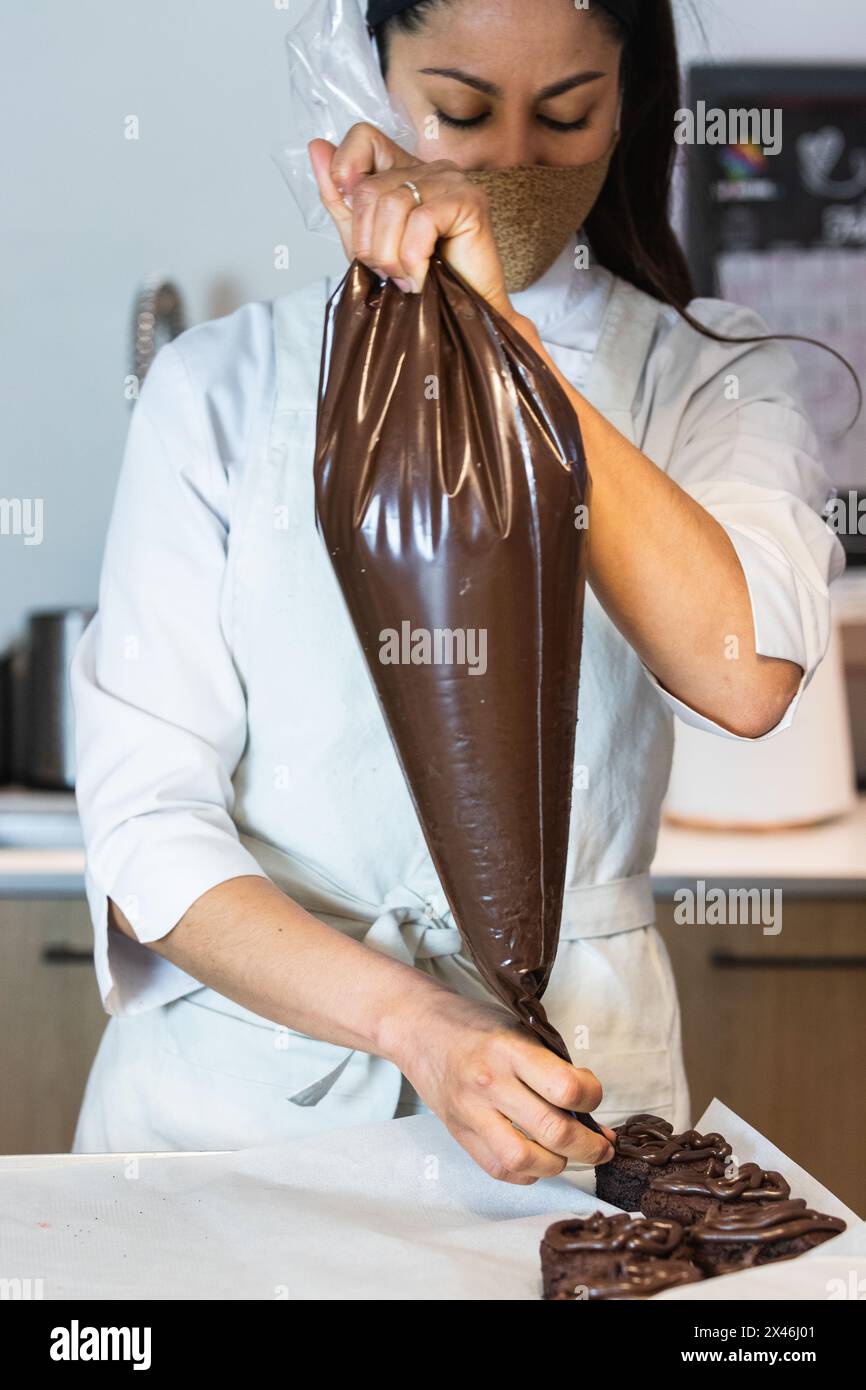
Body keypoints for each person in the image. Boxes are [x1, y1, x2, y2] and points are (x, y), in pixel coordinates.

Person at [71, 0, 844, 1183]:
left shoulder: (708, 381)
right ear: (366, 85)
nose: (512, 164)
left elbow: (741, 674)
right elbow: (145, 827)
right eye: (461, 111)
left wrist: (497, 337)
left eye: (567, 115)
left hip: (560, 1111)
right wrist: (415, 1025)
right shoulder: (219, 387)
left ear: (627, 105)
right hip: (223, 1134)